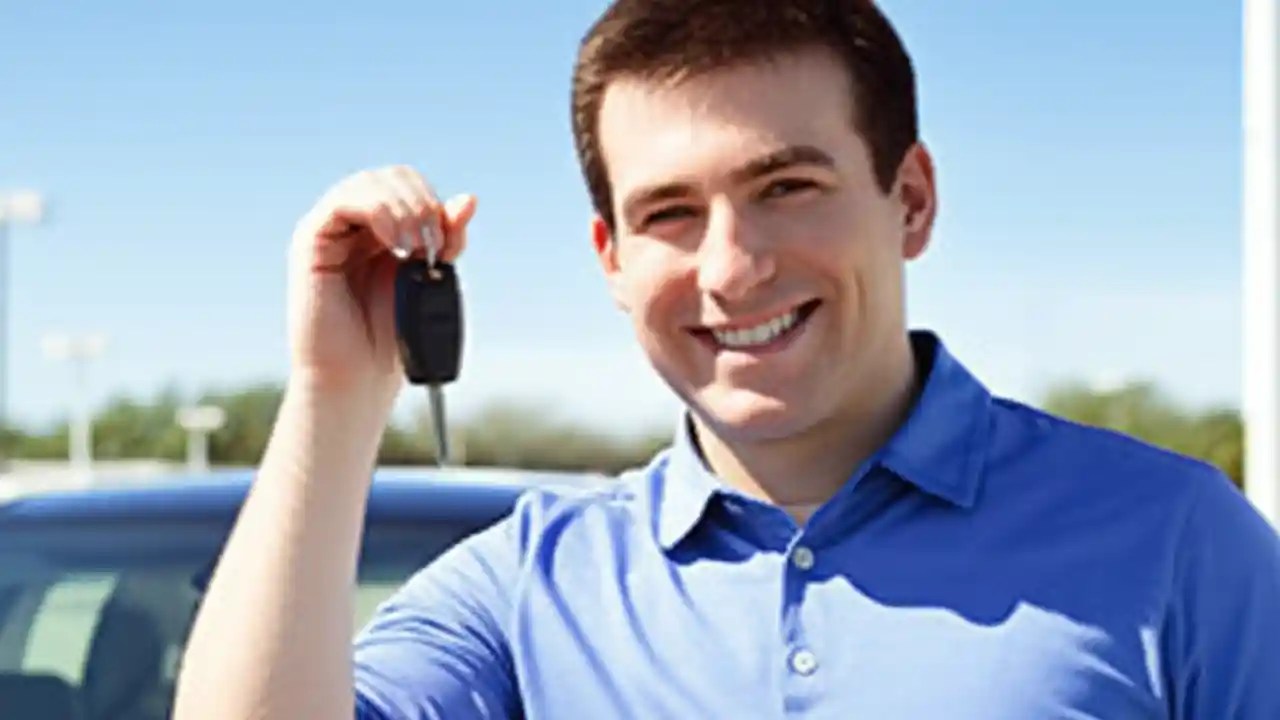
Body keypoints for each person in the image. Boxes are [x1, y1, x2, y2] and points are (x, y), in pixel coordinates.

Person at [173, 0, 1280, 718]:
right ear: (609, 259)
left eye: (785, 188)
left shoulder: (1176, 541)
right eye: (669, 213)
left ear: (910, 199)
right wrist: (333, 394)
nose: (732, 268)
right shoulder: (525, 590)